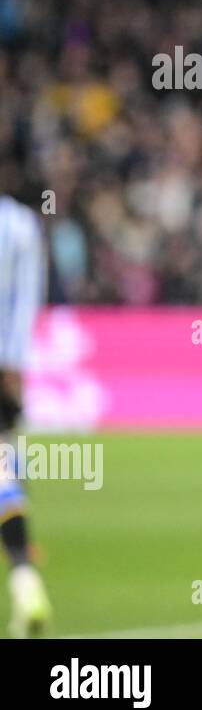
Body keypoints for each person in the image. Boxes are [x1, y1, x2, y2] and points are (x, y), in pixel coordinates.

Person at [0, 192, 53, 637]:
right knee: (3, 469)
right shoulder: (20, 225)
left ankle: (23, 577)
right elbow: (26, 300)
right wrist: (14, 364)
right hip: (5, 369)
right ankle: (23, 574)